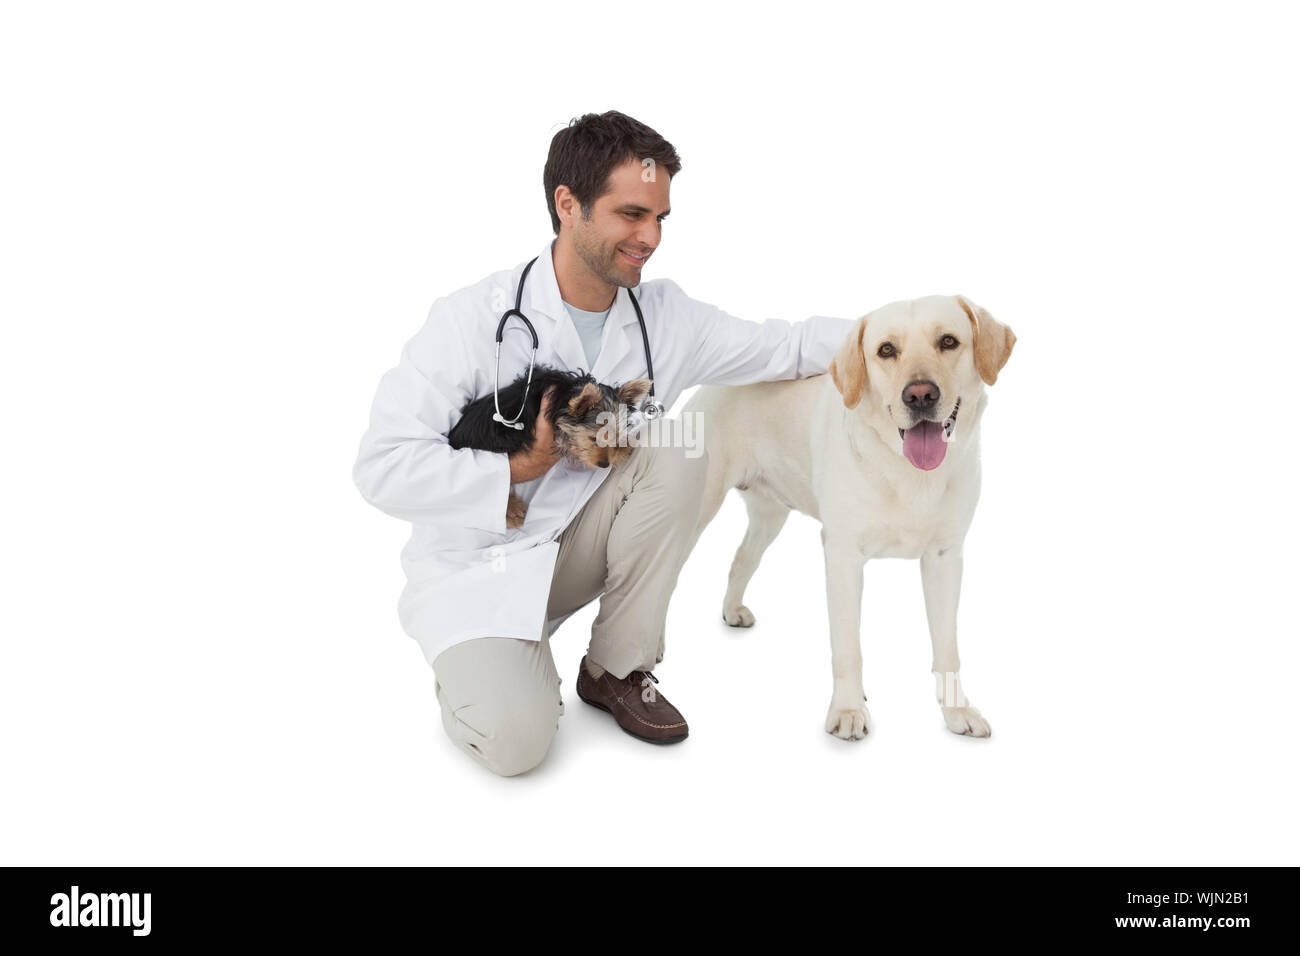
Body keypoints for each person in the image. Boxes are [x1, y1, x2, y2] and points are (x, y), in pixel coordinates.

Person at [352, 110, 855, 776]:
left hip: (575, 552)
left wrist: (904, 339)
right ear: (568, 204)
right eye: (630, 214)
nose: (650, 237)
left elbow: (786, 346)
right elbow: (380, 467)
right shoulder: (474, 319)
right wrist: (516, 469)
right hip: (483, 567)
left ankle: (616, 667)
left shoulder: (666, 317)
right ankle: (495, 674)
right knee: (514, 746)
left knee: (680, 439)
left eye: (660, 219)